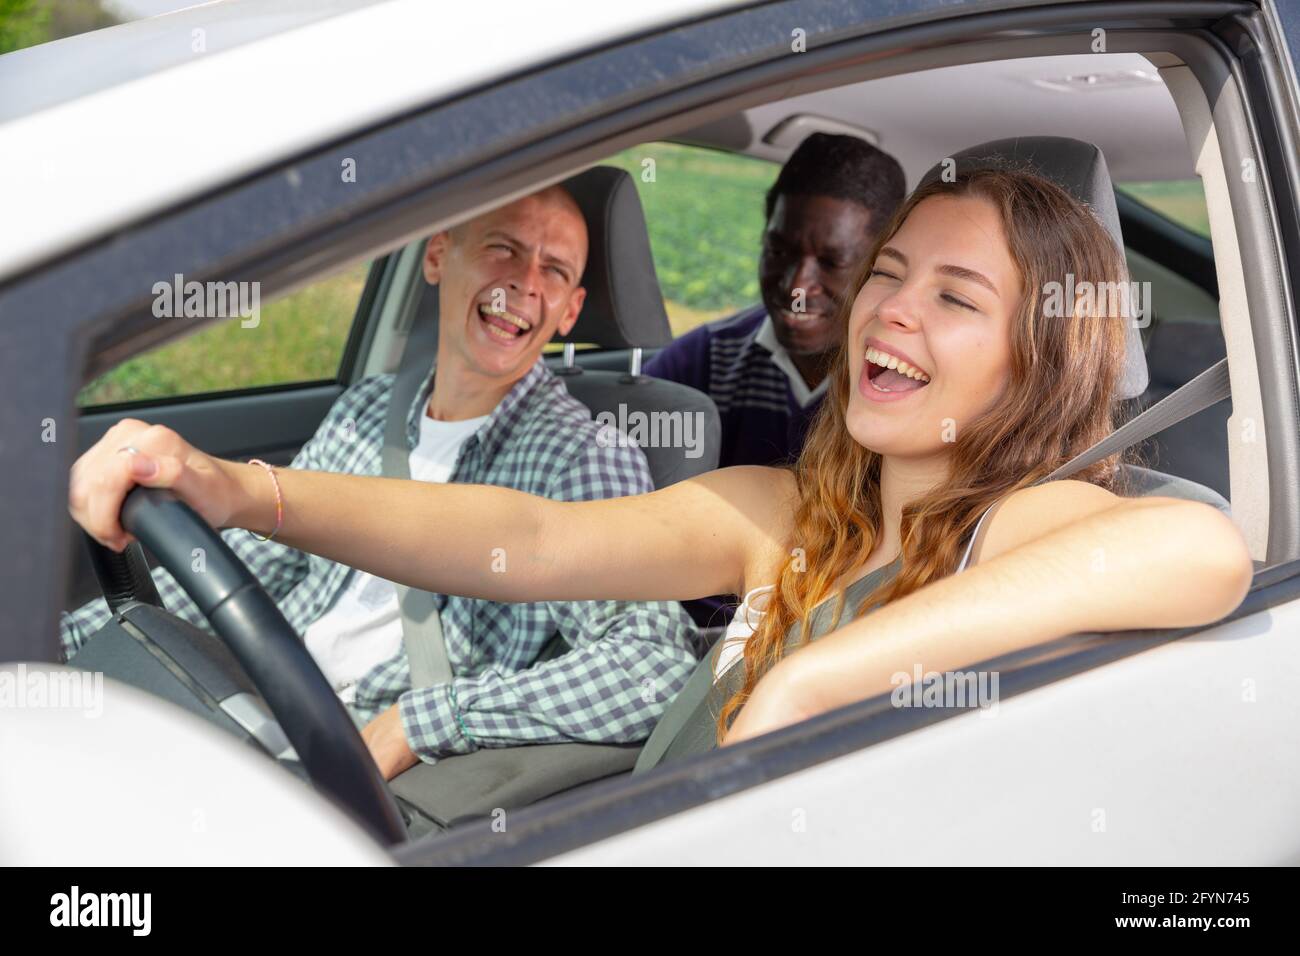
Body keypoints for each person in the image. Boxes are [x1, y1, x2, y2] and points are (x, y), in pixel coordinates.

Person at [68, 168, 1253, 766]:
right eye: (888, 274)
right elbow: (523, 541)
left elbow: (1196, 545)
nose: (891, 310)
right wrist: (238, 488)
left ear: (1032, 358)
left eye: (956, 297)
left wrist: (808, 680)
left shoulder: (1015, 520)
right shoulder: (783, 512)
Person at [61, 183, 699, 780]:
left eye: (554, 270)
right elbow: (242, 563)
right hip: (255, 705)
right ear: (438, 256)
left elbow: (653, 667)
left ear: (570, 312)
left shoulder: (582, 454)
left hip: (356, 777)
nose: (525, 284)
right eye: (503, 247)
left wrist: (419, 724)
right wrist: (57, 647)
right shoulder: (368, 410)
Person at [644, 132, 906, 470]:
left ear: (882, 267)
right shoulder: (702, 364)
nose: (796, 285)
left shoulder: (901, 383)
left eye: (831, 262)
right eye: (779, 251)